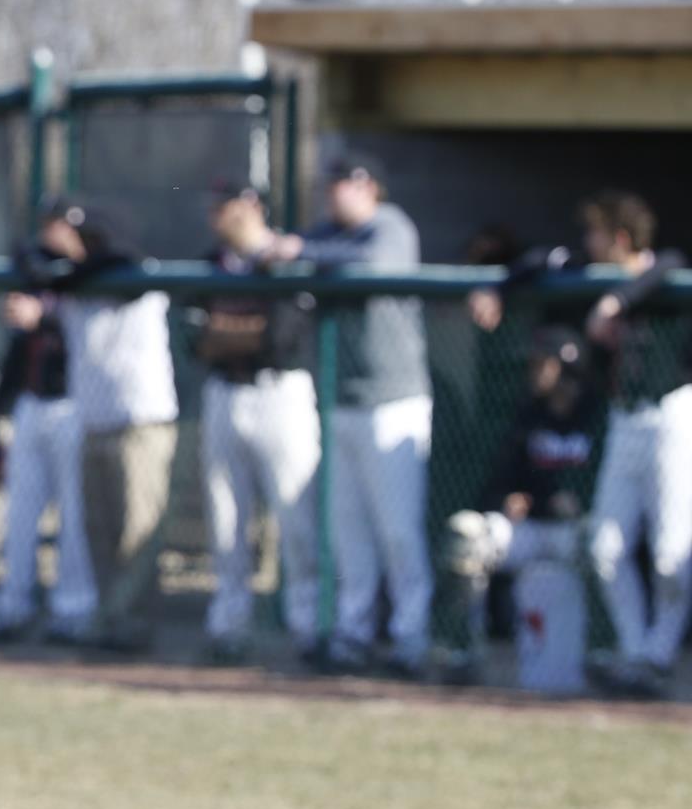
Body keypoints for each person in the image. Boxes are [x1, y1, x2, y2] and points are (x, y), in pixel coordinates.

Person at [468, 191, 689, 698]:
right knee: (608, 547)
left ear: (621, 238)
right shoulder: (588, 268)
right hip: (624, 416)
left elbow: (670, 263)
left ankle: (658, 653)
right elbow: (540, 260)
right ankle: (638, 654)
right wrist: (498, 287)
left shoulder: (661, 272)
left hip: (675, 413)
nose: (587, 244)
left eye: (596, 234)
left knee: (670, 552)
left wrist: (617, 301)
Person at [263, 153, 429, 676]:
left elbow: (371, 267)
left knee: (398, 532)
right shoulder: (323, 235)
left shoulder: (391, 226)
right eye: (331, 184)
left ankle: (411, 636)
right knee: (350, 533)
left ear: (371, 187)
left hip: (393, 401)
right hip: (339, 401)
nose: (337, 192)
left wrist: (302, 250)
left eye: (348, 183)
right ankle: (355, 633)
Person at [16, 197, 178, 652]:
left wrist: (70, 269)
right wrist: (60, 268)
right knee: (98, 533)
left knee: (135, 534)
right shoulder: (73, 282)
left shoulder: (136, 272)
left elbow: (116, 262)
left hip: (141, 423)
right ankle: (110, 619)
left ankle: (132, 626)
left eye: (88, 238)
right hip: (93, 423)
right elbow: (25, 260)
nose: (79, 248)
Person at [190, 183, 320, 664]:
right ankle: (229, 627)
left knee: (296, 517)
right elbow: (196, 339)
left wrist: (228, 336)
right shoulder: (211, 264)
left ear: (254, 207)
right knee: (226, 521)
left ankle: (308, 625)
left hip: (280, 393)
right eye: (216, 207)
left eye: (226, 207)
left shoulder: (287, 256)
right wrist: (236, 337)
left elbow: (283, 338)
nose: (218, 216)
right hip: (225, 393)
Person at [437, 326, 602, 690]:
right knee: (473, 537)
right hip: (531, 528)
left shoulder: (596, 416)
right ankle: (478, 650)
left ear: (567, 368)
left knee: (603, 545)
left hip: (574, 532)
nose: (536, 371)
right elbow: (498, 482)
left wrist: (579, 502)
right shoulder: (529, 412)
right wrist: (507, 500)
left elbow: (600, 484)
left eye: (545, 364)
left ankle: (617, 654)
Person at [0, 236, 96, 644]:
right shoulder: (36, 269)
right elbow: (24, 260)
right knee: (19, 512)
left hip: (73, 407)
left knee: (74, 514)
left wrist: (46, 312)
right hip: (31, 406)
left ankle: (74, 609)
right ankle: (12, 605)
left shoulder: (91, 273)